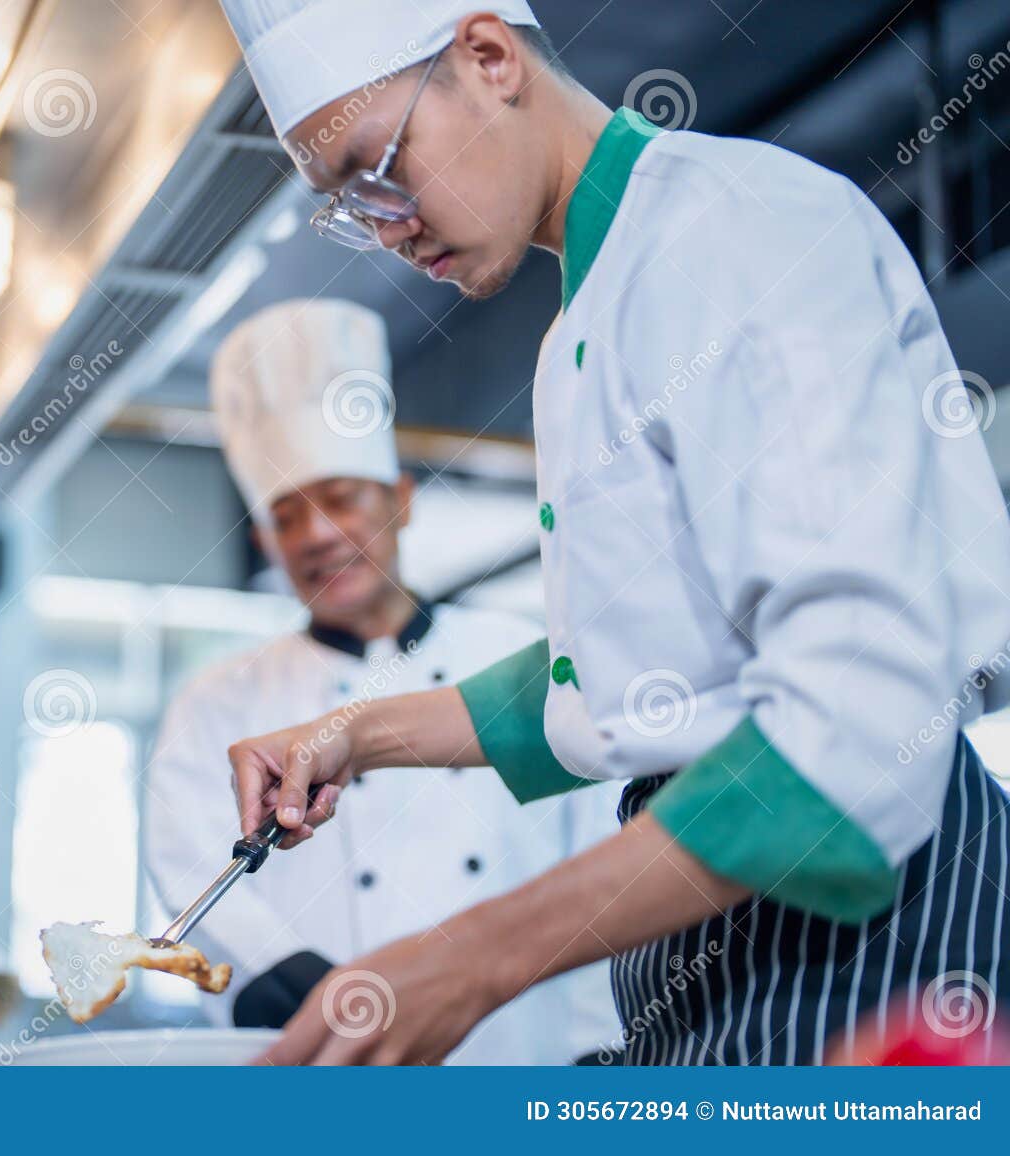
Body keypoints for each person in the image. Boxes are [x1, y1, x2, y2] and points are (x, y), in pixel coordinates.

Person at [212, 0, 1010, 1064]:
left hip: (871, 934)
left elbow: (852, 722)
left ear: (488, 56)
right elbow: (631, 673)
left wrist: (475, 954)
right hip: (720, 933)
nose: (387, 224)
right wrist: (355, 735)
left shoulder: (735, 228)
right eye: (348, 208)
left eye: (378, 167)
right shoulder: (572, 333)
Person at [144, 298, 622, 1064]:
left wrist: (597, 1055)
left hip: (516, 1061)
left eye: (340, 500)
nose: (318, 536)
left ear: (400, 501)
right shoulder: (218, 702)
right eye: (286, 517)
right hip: (319, 1064)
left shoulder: (527, 664)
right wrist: (317, 992)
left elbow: (609, 860)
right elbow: (186, 862)